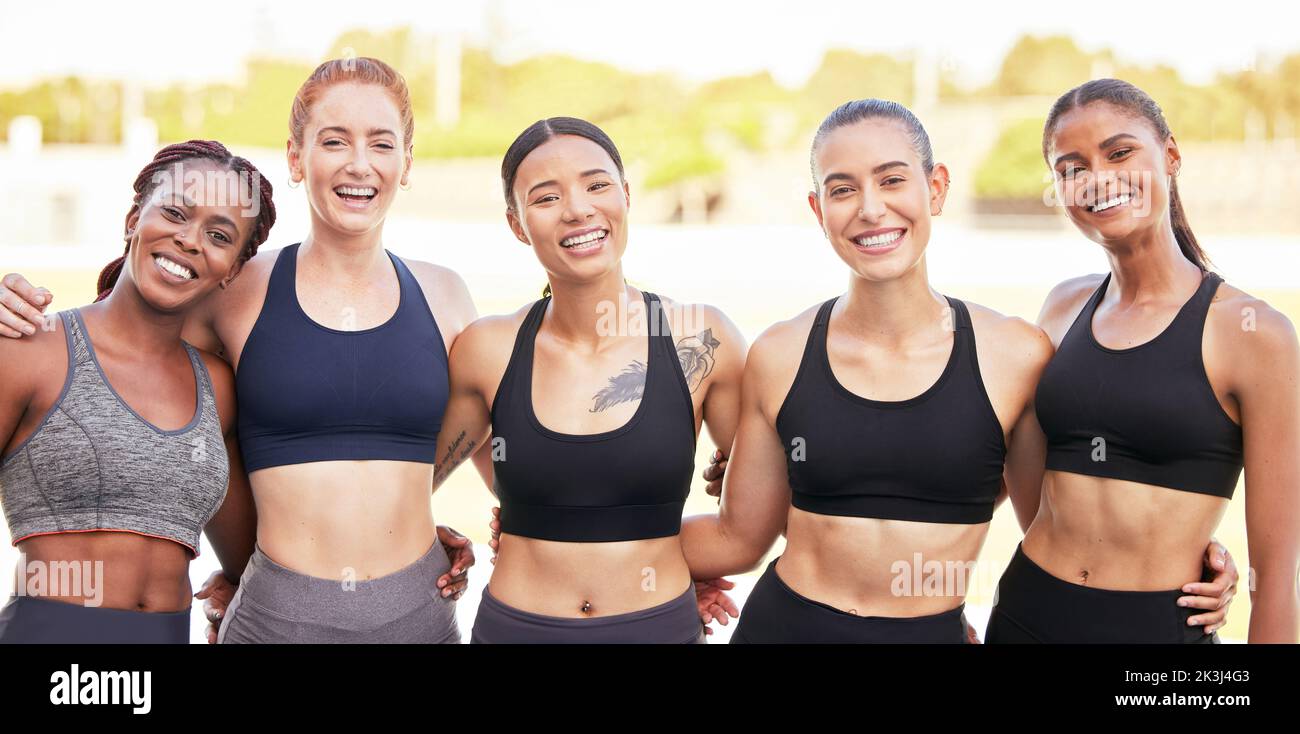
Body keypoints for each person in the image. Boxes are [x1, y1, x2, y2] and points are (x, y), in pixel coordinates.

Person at [676, 99, 1240, 643]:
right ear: (818, 210)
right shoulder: (779, 353)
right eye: (842, 189)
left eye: (893, 179)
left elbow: (1058, 520)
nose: (870, 208)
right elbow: (737, 537)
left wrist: (1186, 551)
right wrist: (610, 557)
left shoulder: (1016, 355)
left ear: (937, 187)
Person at [0, 58, 478, 643]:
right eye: (334, 140)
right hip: (250, 620)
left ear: (407, 161)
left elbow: (482, 422)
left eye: (381, 143)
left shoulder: (447, 295)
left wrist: (403, 517)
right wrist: (13, 307)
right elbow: (116, 341)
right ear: (297, 158)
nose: (359, 163)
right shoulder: (232, 295)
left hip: (414, 613)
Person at [984, 79, 1299, 643]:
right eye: (1071, 167)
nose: (1098, 178)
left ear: (1171, 155)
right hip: (1026, 614)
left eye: (1120, 152)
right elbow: (1020, 469)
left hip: (1156, 635)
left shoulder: (1256, 334)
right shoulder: (1062, 306)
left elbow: (1276, 578)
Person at [429, 117, 745, 642]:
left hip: (657, 628)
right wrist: (430, 535)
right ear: (516, 224)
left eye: (597, 185)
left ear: (625, 194)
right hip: (516, 629)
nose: (578, 209)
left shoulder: (702, 338)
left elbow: (756, 513)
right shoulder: (487, 349)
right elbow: (419, 481)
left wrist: (655, 552)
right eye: (546, 197)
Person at [0, 140, 273, 642]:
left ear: (232, 269)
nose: (190, 239)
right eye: (174, 212)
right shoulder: (31, 348)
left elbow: (253, 560)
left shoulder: (217, 388)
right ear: (133, 219)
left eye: (218, 234)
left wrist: (403, 540)